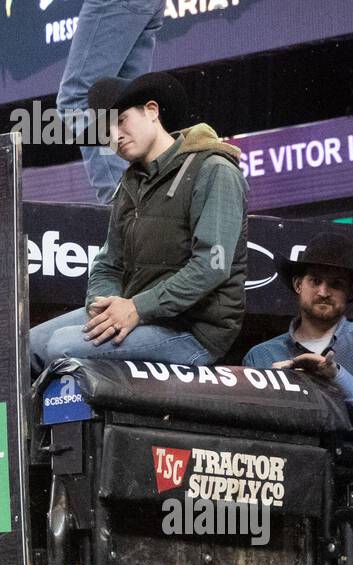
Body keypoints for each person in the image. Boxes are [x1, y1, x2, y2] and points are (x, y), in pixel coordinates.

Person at [30, 72, 248, 378]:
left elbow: (210, 267)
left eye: (121, 121)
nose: (114, 136)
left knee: (60, 346)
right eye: (105, 131)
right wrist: (102, 304)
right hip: (140, 314)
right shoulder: (130, 183)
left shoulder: (213, 169)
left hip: (194, 331)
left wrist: (137, 308)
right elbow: (108, 264)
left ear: (152, 111)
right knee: (28, 346)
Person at [243, 231, 353, 405]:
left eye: (336, 284)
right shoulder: (262, 356)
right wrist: (277, 387)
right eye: (315, 281)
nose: (323, 292)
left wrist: (337, 376)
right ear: (298, 285)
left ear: (349, 292)